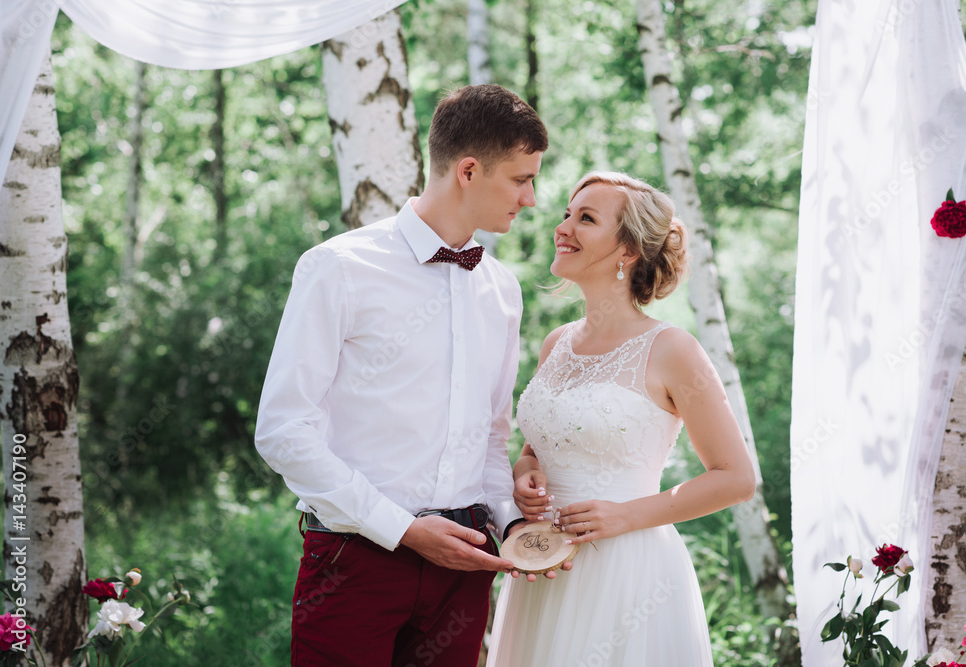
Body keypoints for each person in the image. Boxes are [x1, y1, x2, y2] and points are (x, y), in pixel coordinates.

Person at [254, 84, 548, 666]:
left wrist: (513, 524)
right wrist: (403, 530)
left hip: (465, 563)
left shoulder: (501, 289)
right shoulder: (337, 267)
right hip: (356, 559)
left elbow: (491, 438)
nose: (531, 199)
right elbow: (283, 431)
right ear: (468, 171)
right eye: (521, 179)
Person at [486, 171, 756, 666]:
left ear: (628, 250)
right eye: (567, 214)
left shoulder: (673, 350)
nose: (563, 227)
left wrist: (626, 515)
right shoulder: (557, 343)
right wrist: (525, 473)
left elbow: (736, 479)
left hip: (627, 574)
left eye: (586, 218)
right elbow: (534, 449)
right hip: (544, 566)